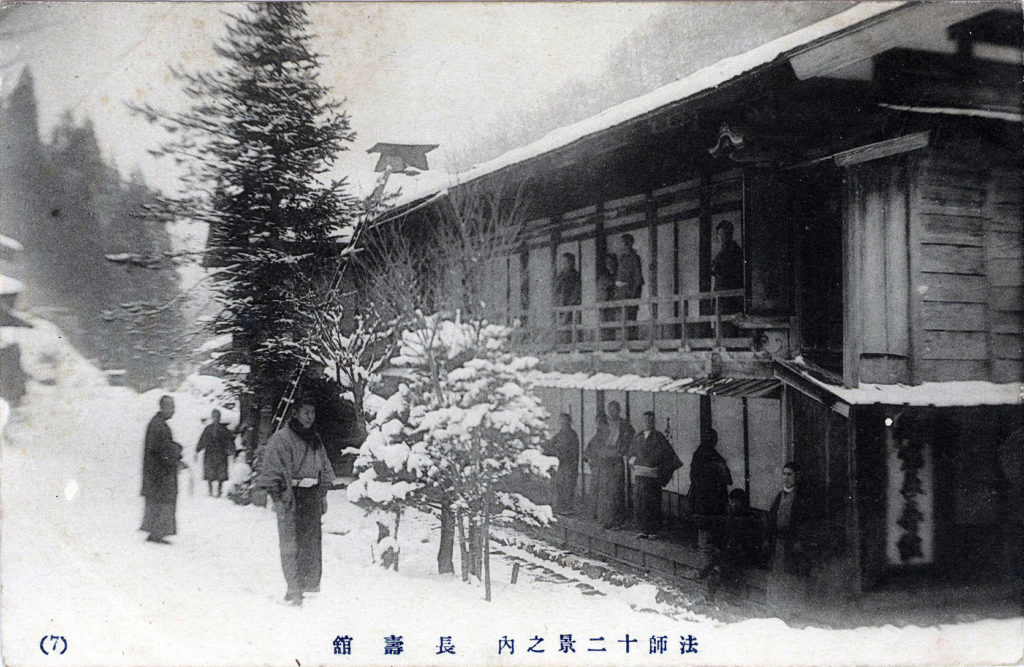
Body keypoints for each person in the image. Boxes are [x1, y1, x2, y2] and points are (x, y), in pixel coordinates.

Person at [253, 397, 335, 606]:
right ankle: (293, 587)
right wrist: (279, 495)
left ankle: (305, 585)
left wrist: (323, 492)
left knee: (310, 544)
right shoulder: (280, 439)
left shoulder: (315, 440)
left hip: (311, 497)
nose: (310, 416)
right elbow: (272, 469)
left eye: (312, 412)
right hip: (290, 496)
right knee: (291, 544)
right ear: (295, 413)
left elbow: (324, 468)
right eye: (305, 412)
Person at [628, 411, 682, 539]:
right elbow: (631, 452)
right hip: (640, 474)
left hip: (653, 476)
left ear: (653, 422)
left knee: (652, 503)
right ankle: (642, 529)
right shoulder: (638, 437)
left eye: (650, 420)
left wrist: (660, 471)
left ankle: (653, 530)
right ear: (643, 421)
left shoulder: (659, 437)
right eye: (645, 420)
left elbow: (669, 456)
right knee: (640, 502)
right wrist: (632, 460)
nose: (647, 423)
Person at [140, 395, 185, 544]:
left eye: (174, 406)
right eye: (171, 407)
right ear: (163, 407)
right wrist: (176, 454)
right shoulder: (159, 426)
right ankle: (157, 533)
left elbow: (164, 447)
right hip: (159, 474)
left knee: (158, 502)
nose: (173, 410)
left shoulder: (158, 424)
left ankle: (156, 532)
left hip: (157, 473)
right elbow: (162, 450)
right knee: (162, 501)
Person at [701, 488, 762, 595]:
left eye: (735, 502)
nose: (732, 505)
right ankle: (710, 578)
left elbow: (746, 545)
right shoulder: (731, 518)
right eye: (731, 502)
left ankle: (707, 574)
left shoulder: (747, 520)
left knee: (717, 568)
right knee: (716, 567)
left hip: (743, 557)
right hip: (731, 556)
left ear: (741, 503)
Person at [688, 428, 733, 566]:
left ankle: (705, 565)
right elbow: (728, 479)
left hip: (701, 501)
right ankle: (712, 565)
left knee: (703, 534)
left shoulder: (698, 455)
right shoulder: (717, 458)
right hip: (716, 502)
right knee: (714, 534)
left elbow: (692, 476)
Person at [585, 401, 633, 529]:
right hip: (604, 463)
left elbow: (630, 441)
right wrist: (592, 456)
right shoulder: (604, 426)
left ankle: (617, 521)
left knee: (616, 491)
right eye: (610, 410)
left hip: (616, 461)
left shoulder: (624, 426)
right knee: (604, 492)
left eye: (615, 410)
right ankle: (605, 520)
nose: (612, 412)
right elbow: (594, 443)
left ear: (619, 411)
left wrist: (620, 452)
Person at [766, 461, 814, 577]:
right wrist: (767, 538)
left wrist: (799, 540)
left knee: (792, 575)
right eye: (784, 474)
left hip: (793, 543)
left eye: (790, 474)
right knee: (777, 574)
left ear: (797, 475)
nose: (786, 478)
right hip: (778, 543)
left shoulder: (802, 497)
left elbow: (806, 522)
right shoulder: (779, 496)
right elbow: (771, 518)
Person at [544, 413, 580, 514]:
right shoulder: (560, 434)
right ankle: (560, 508)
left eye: (565, 421)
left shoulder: (573, 435)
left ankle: (568, 508)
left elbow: (571, 452)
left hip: (570, 465)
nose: (563, 423)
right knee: (560, 485)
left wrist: (558, 452)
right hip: (561, 465)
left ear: (569, 422)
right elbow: (551, 444)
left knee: (568, 486)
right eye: (561, 421)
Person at [195, 408, 235, 497]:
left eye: (217, 416)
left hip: (221, 454)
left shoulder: (224, 430)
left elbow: (229, 440)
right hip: (210, 454)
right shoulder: (208, 429)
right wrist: (197, 449)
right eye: (214, 416)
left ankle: (219, 491)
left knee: (221, 474)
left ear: (220, 417)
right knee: (210, 473)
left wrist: (231, 450)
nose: (216, 418)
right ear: (212, 417)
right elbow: (203, 440)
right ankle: (210, 491)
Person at [710, 220, 744, 322]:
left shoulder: (735, 251)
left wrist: (716, 269)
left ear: (730, 234)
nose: (720, 237)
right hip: (721, 297)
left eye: (722, 234)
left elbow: (728, 272)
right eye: (719, 234)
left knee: (728, 327)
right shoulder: (722, 252)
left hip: (729, 298)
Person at [614, 234, 644, 338]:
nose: (619, 245)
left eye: (621, 242)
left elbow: (638, 279)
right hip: (620, 293)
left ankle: (631, 344)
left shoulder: (634, 258)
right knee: (621, 320)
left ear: (628, 244)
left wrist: (632, 296)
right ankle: (622, 343)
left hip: (628, 294)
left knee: (629, 320)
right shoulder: (622, 258)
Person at [553, 253, 581, 344]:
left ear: (572, 262)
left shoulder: (575, 276)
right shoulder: (561, 275)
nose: (564, 264)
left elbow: (576, 293)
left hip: (571, 307)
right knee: (561, 329)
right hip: (560, 306)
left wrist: (568, 309)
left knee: (571, 329)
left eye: (566, 262)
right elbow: (556, 290)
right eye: (563, 262)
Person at [597, 253, 619, 342]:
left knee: (616, 326)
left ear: (615, 262)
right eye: (607, 263)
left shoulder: (618, 275)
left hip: (615, 305)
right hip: (604, 305)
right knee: (605, 327)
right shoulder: (604, 276)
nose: (609, 265)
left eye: (611, 262)